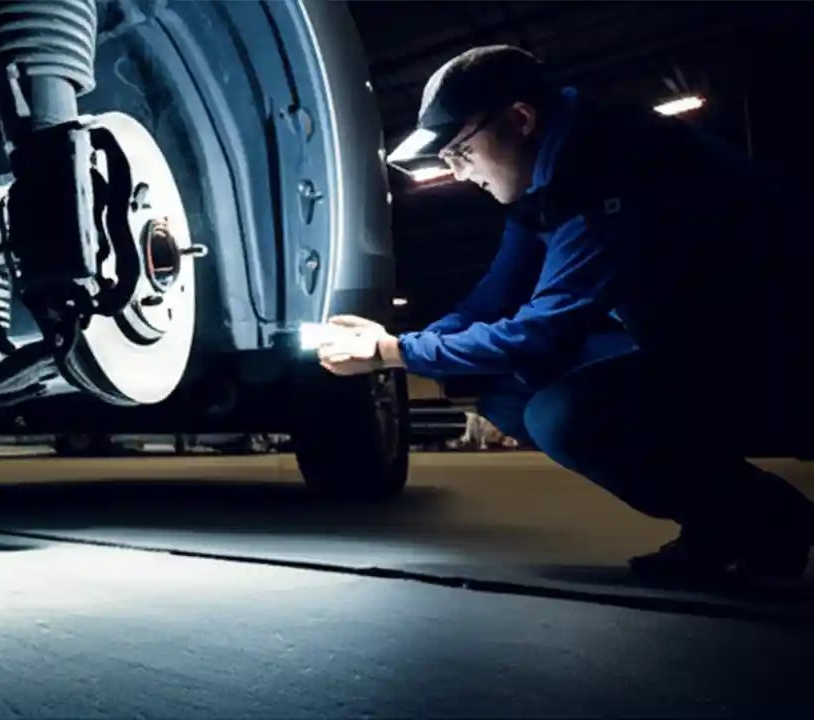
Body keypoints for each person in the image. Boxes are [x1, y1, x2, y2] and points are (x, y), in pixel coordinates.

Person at [318, 45, 813, 584]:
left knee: (566, 413)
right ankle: (719, 519)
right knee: (507, 389)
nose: (458, 174)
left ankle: (767, 517)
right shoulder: (545, 186)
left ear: (521, 119)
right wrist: (400, 340)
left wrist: (392, 353)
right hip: (703, 349)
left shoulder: (612, 165)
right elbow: (490, 301)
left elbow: (539, 333)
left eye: (460, 151)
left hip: (782, 358)